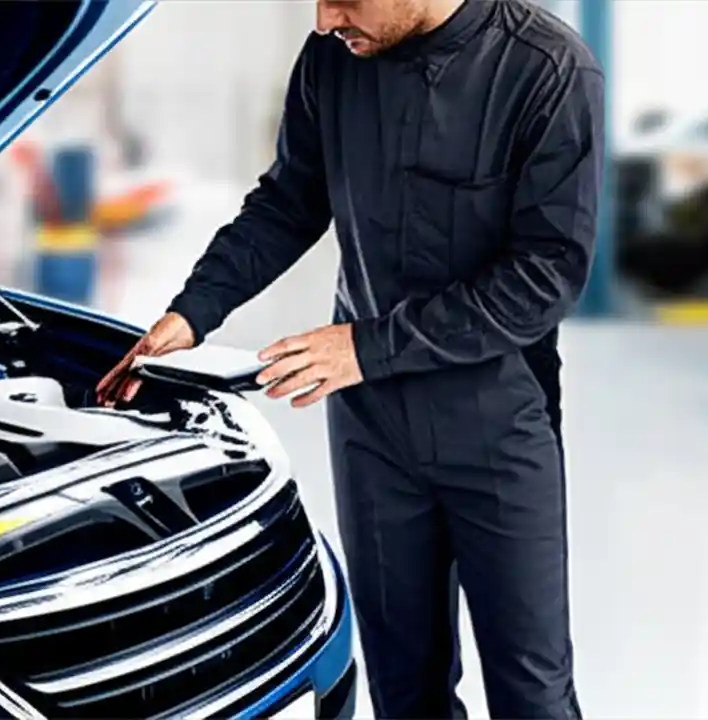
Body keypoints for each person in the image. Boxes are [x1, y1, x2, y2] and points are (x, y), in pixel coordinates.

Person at [97, 0, 602, 716]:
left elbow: (544, 276)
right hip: (372, 432)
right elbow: (287, 203)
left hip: (496, 425)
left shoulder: (547, 70)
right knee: (403, 690)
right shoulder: (335, 58)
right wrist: (190, 313)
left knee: (533, 695)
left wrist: (365, 346)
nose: (323, 17)